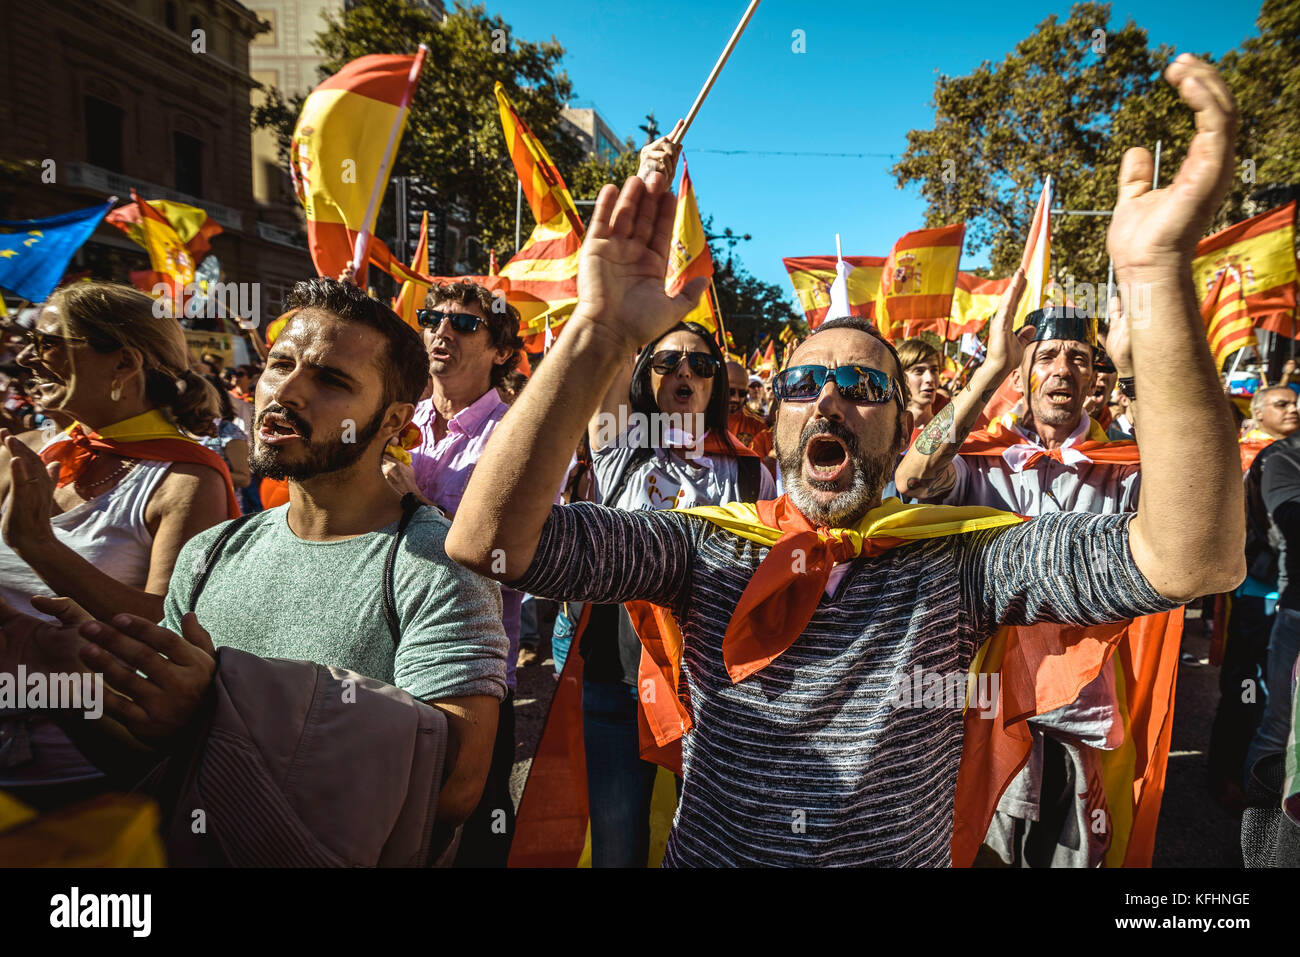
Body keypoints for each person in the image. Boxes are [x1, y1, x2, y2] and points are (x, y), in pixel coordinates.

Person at [446, 54, 1244, 867]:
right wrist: (598, 332)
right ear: (772, 417)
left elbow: (1192, 557)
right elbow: (490, 542)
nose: (829, 398)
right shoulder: (701, 543)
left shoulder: (964, 561)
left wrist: (1157, 282)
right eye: (802, 382)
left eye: (863, 384)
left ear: (905, 432)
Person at [1, 277, 509, 845]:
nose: (285, 392)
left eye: (331, 380)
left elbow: (454, 784)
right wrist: (75, 674)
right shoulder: (212, 551)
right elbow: (161, 757)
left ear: (393, 422)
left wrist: (217, 702)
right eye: (279, 364)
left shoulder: (435, 565)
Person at [0, 282, 237, 807]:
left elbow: (168, 627)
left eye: (48, 342)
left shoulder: (185, 479)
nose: (27, 357)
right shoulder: (26, 452)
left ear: (123, 363)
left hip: (87, 774)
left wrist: (42, 547)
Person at [389, 278, 530, 868]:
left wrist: (418, 507)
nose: (440, 331)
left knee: (473, 833)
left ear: (501, 351)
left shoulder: (517, 437)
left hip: (469, 677)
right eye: (431, 318)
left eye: (465, 324)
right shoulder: (392, 417)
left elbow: (513, 558)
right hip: (378, 658)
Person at [199, 373, 252, 494]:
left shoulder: (227, 431)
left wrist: (202, 473)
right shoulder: (181, 430)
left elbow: (244, 478)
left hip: (223, 508)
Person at [1240, 385, 1299, 470]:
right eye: (1282, 405)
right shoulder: (1247, 452)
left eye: (1296, 404)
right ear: (1259, 413)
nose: (1293, 409)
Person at [897, 337, 943, 431]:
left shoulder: (948, 430)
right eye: (919, 371)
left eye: (934, 370)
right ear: (902, 377)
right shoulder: (888, 430)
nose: (930, 379)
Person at [726, 360, 767, 447]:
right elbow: (692, 456)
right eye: (731, 391)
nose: (736, 399)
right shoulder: (697, 419)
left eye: (742, 393)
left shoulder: (757, 424)